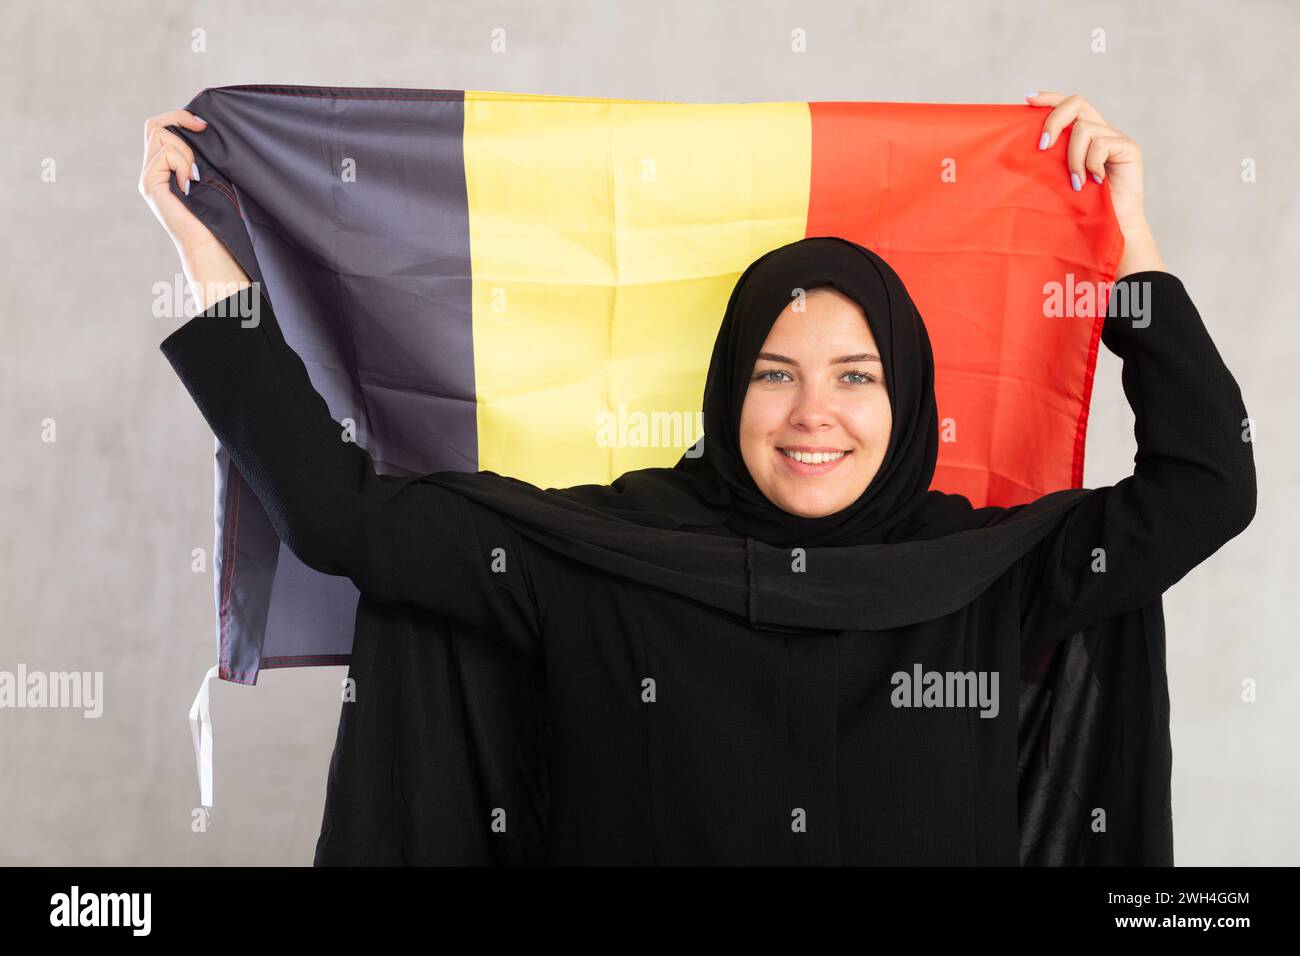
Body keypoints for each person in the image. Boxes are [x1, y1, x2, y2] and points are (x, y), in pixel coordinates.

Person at [140, 92, 1256, 865]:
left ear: (907, 399)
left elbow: (1206, 485)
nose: (812, 412)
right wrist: (205, 258)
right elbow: (341, 519)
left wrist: (1127, 242)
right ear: (728, 393)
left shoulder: (983, 575)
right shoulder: (599, 558)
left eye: (855, 377)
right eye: (774, 373)